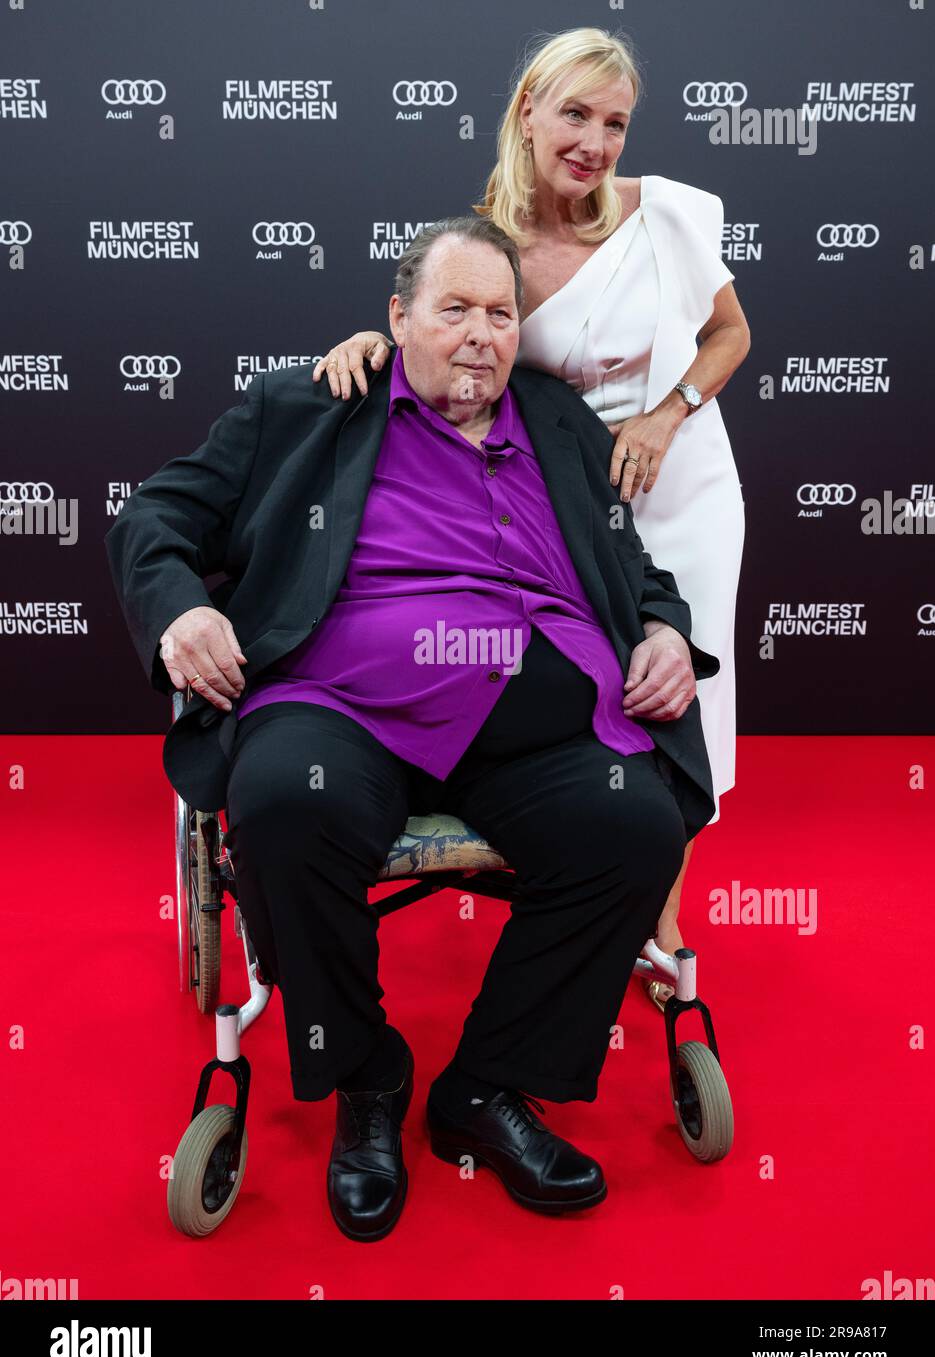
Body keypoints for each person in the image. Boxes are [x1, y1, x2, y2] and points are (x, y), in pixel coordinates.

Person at [105, 215, 720, 1242]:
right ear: (397, 319)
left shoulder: (555, 422)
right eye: (456, 310)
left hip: (535, 715)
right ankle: (368, 1074)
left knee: (634, 829)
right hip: (340, 700)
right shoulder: (307, 405)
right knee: (279, 806)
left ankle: (485, 1086)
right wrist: (182, 610)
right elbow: (151, 520)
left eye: (501, 314)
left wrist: (659, 626)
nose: (482, 335)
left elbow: (630, 568)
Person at [312, 26, 750, 1010]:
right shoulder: (493, 247)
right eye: (576, 114)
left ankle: (662, 928)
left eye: (615, 123)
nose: (595, 142)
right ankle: (591, 875)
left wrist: (668, 411)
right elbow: (443, 333)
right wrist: (363, 339)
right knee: (597, 696)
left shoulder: (667, 215)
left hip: (680, 484)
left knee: (685, 695)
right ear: (528, 112)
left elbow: (731, 332)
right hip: (563, 503)